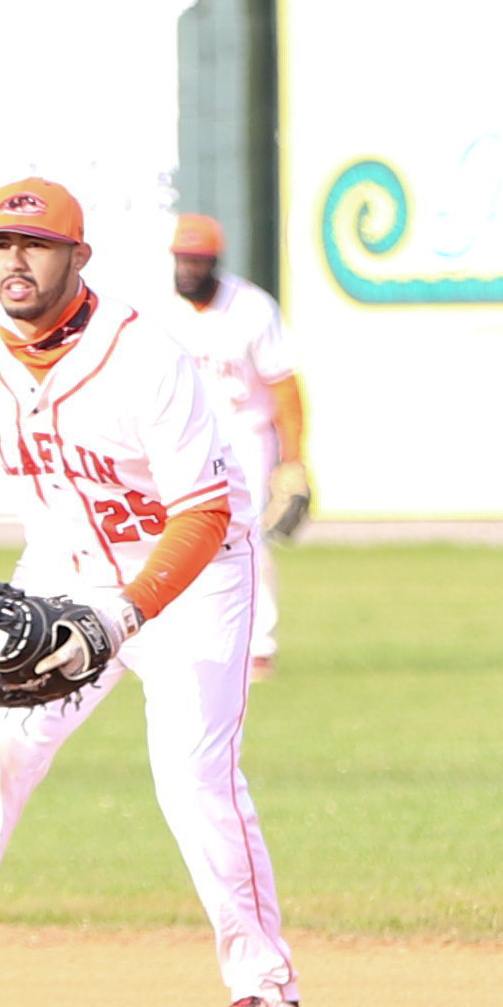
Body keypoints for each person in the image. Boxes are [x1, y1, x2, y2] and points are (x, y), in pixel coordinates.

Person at [0, 177, 304, 1007]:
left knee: (194, 779)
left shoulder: (142, 357)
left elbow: (203, 513)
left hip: (194, 577)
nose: (15, 261)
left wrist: (124, 618)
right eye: (0, 245)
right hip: (66, 573)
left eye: (36, 245)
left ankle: (266, 986)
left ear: (77, 258)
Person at [159, 214, 309, 682]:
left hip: (245, 435)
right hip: (180, 436)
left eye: (198, 261)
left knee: (246, 536)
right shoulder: (156, 311)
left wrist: (293, 460)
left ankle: (259, 645)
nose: (188, 269)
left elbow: (284, 388)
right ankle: (180, 639)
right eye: (182, 259)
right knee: (173, 534)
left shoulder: (251, 309)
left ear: (215, 262)